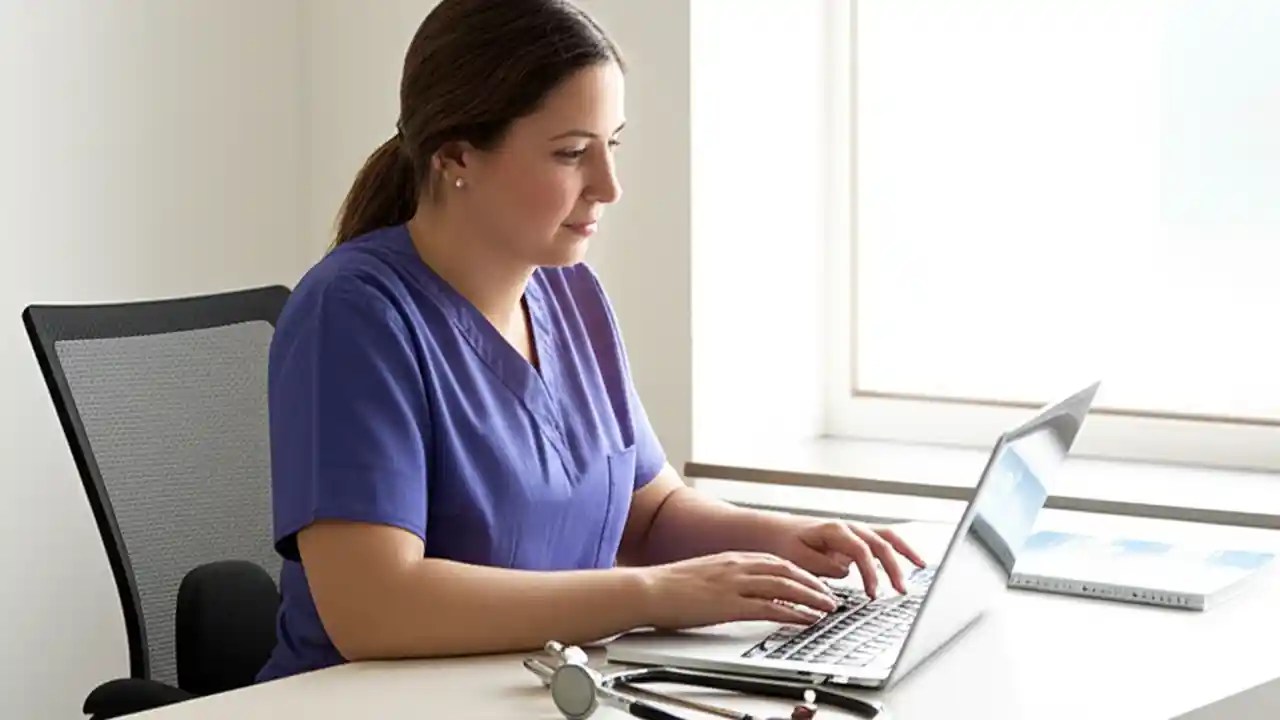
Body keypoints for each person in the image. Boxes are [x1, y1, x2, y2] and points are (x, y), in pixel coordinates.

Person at [256, 0, 924, 684]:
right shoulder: (354, 314)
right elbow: (375, 608)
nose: (609, 186)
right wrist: (654, 595)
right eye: (572, 153)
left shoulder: (571, 295)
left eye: (613, 145)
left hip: (529, 689)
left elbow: (650, 511)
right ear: (456, 154)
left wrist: (782, 540)